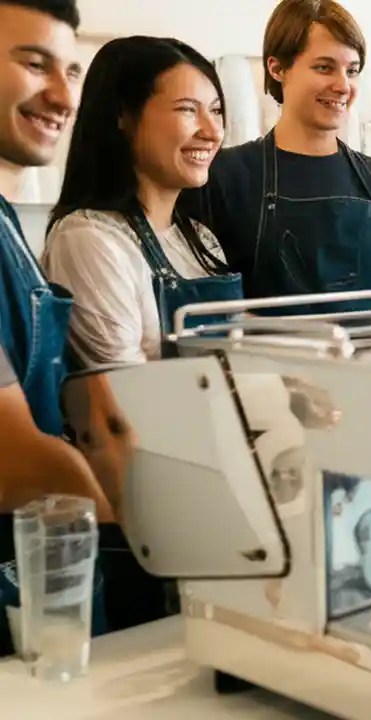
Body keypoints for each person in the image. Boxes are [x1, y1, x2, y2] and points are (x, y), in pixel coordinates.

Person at [0, 0, 118, 657]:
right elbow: (13, 462)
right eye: (32, 62)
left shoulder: (10, 223)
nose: (62, 94)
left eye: (71, 70)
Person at [191, 0, 371, 316]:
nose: (343, 85)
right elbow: (206, 310)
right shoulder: (221, 177)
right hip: (266, 364)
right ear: (277, 68)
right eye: (324, 67)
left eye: (352, 70)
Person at [44, 36, 241, 366]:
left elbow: (237, 362)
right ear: (122, 115)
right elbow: (131, 396)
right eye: (188, 109)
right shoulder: (89, 240)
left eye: (216, 110)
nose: (212, 131)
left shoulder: (198, 238)